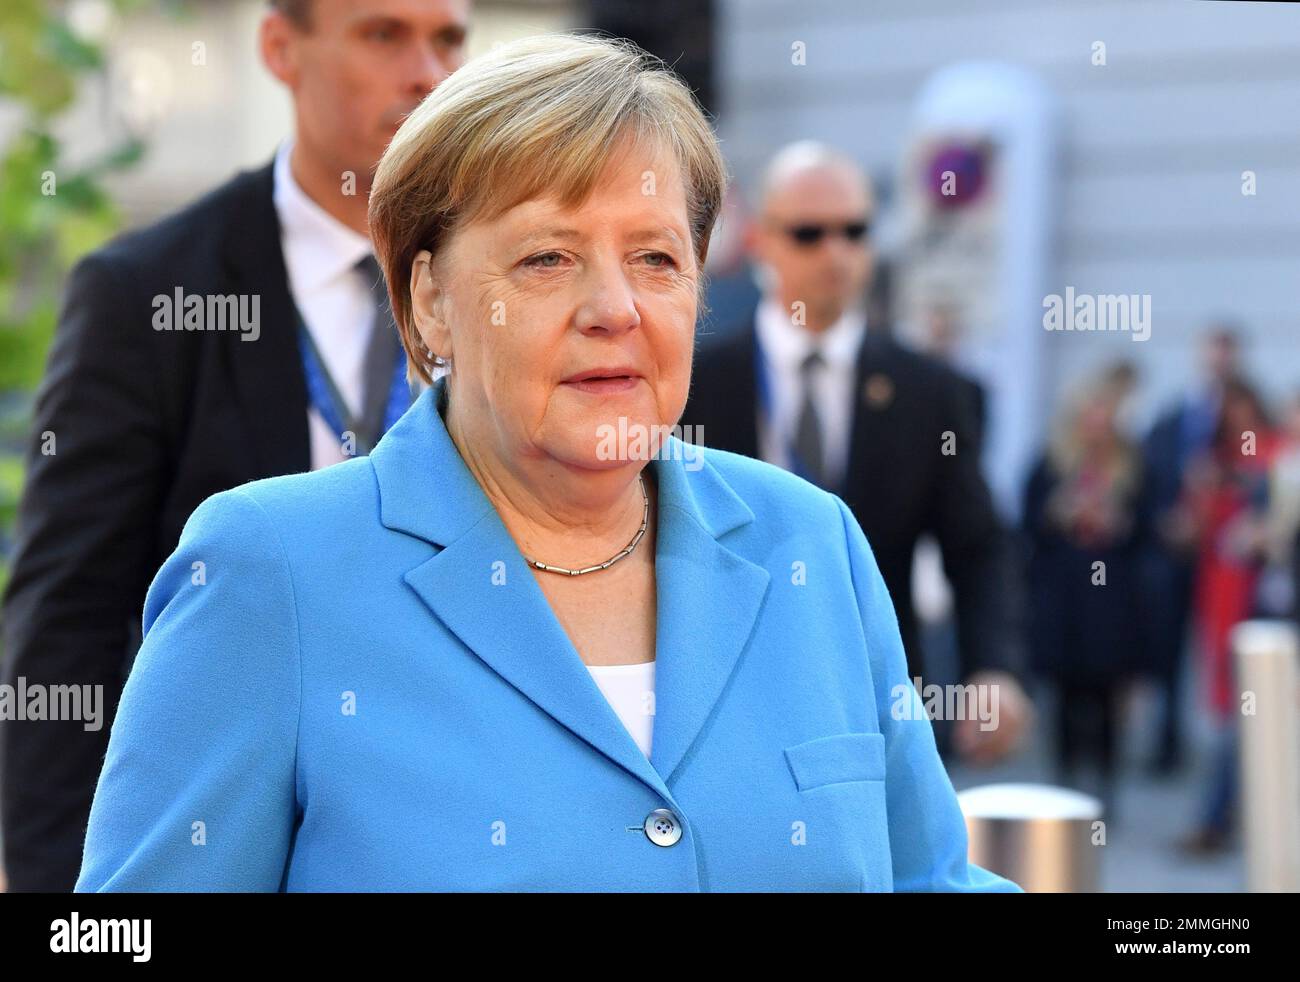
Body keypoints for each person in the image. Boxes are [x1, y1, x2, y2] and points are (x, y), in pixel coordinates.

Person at [74, 34, 1022, 892]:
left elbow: (928, 880)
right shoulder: (271, 570)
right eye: (547, 259)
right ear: (432, 299)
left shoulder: (811, 542)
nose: (615, 308)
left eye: (656, 259)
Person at [0, 0, 470, 891]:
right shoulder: (147, 294)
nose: (427, 72)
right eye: (383, 34)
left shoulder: (511, 280)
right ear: (280, 48)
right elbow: (68, 623)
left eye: (448, 38)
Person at [682, 141, 1031, 766]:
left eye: (855, 231)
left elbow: (977, 544)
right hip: (727, 711)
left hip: (878, 707)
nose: (835, 253)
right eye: (809, 234)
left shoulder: (930, 391)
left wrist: (994, 667)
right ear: (760, 239)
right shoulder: (694, 384)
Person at [1021, 364, 1147, 817]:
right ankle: (1065, 786)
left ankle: (1105, 789)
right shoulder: (1051, 465)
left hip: (1111, 602)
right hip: (1064, 600)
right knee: (1065, 697)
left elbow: (1148, 532)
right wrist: (1060, 514)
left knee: (1107, 697)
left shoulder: (1133, 467)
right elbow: (1028, 527)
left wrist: (1119, 523)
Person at [1178, 376, 1279, 853]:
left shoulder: (1275, 457)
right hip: (1220, 591)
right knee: (1229, 705)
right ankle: (1226, 814)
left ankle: (1224, 816)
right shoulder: (1216, 461)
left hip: (1259, 597)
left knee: (1249, 705)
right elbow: (1195, 529)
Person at [1139, 326, 1241, 775]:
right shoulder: (1175, 415)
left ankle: (1228, 745)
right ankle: (1167, 739)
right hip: (1176, 554)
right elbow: (1152, 474)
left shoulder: (1243, 416)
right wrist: (1169, 520)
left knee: (1223, 647)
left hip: (1224, 556)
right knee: (1168, 648)